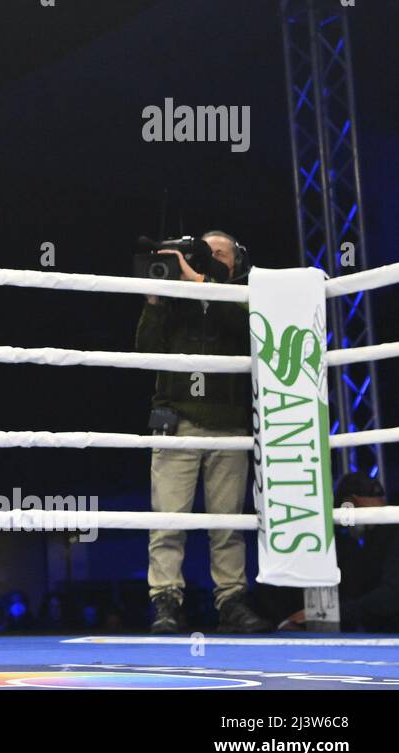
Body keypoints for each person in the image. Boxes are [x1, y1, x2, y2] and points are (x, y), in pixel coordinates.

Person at [136, 231, 271, 634]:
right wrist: (155, 301)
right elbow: (144, 354)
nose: (210, 259)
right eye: (204, 253)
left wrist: (200, 283)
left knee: (228, 523)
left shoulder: (248, 294)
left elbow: (253, 331)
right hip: (178, 420)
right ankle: (166, 602)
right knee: (168, 521)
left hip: (229, 424)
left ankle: (231, 600)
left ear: (237, 261)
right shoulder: (176, 300)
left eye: (219, 254)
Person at [282, 471, 399, 631]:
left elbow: (390, 597)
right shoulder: (375, 537)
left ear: (349, 503)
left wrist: (327, 613)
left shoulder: (389, 534)